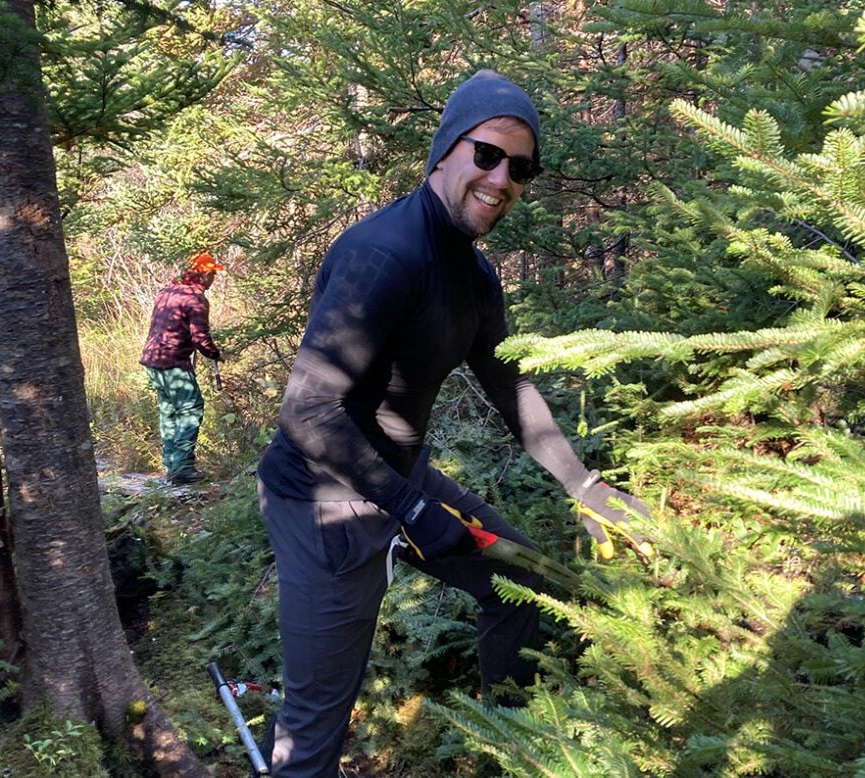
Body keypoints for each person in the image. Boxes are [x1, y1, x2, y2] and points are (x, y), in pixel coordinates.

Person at [256, 70, 650, 776]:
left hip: (400, 480)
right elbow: (308, 410)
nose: (502, 179)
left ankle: (508, 747)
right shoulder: (383, 255)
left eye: (521, 168)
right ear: (446, 150)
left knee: (522, 589)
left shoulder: (474, 276)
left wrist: (586, 486)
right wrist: (411, 508)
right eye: (487, 154)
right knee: (317, 723)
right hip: (323, 505)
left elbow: (511, 390)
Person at [140, 251, 223, 485]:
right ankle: (182, 468)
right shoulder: (196, 299)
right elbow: (200, 338)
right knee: (191, 408)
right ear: (205, 274)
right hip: (172, 361)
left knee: (168, 411)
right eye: (213, 274)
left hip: (152, 359)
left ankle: (172, 464)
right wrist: (214, 353)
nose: (214, 279)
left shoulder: (167, 291)